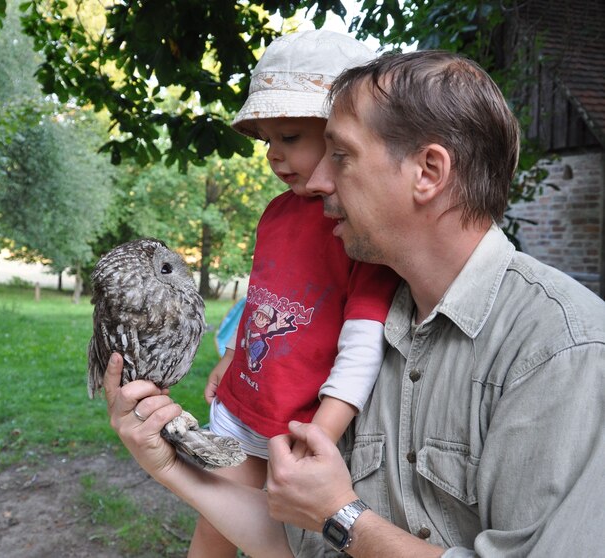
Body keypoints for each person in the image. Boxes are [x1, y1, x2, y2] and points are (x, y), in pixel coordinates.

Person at [104, 49, 605, 557]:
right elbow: (297, 538)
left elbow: (330, 520)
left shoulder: (562, 348)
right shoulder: (355, 339)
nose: (319, 182)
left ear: (427, 171)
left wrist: (343, 517)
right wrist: (169, 465)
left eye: (340, 156)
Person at [191, 30, 400, 557]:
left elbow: (362, 343)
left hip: (299, 427)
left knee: (283, 540)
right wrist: (234, 356)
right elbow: (260, 297)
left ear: (337, 137)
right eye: (268, 142)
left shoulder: (360, 228)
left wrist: (321, 434)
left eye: (290, 138)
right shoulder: (276, 214)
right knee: (215, 522)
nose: (274, 157)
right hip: (242, 406)